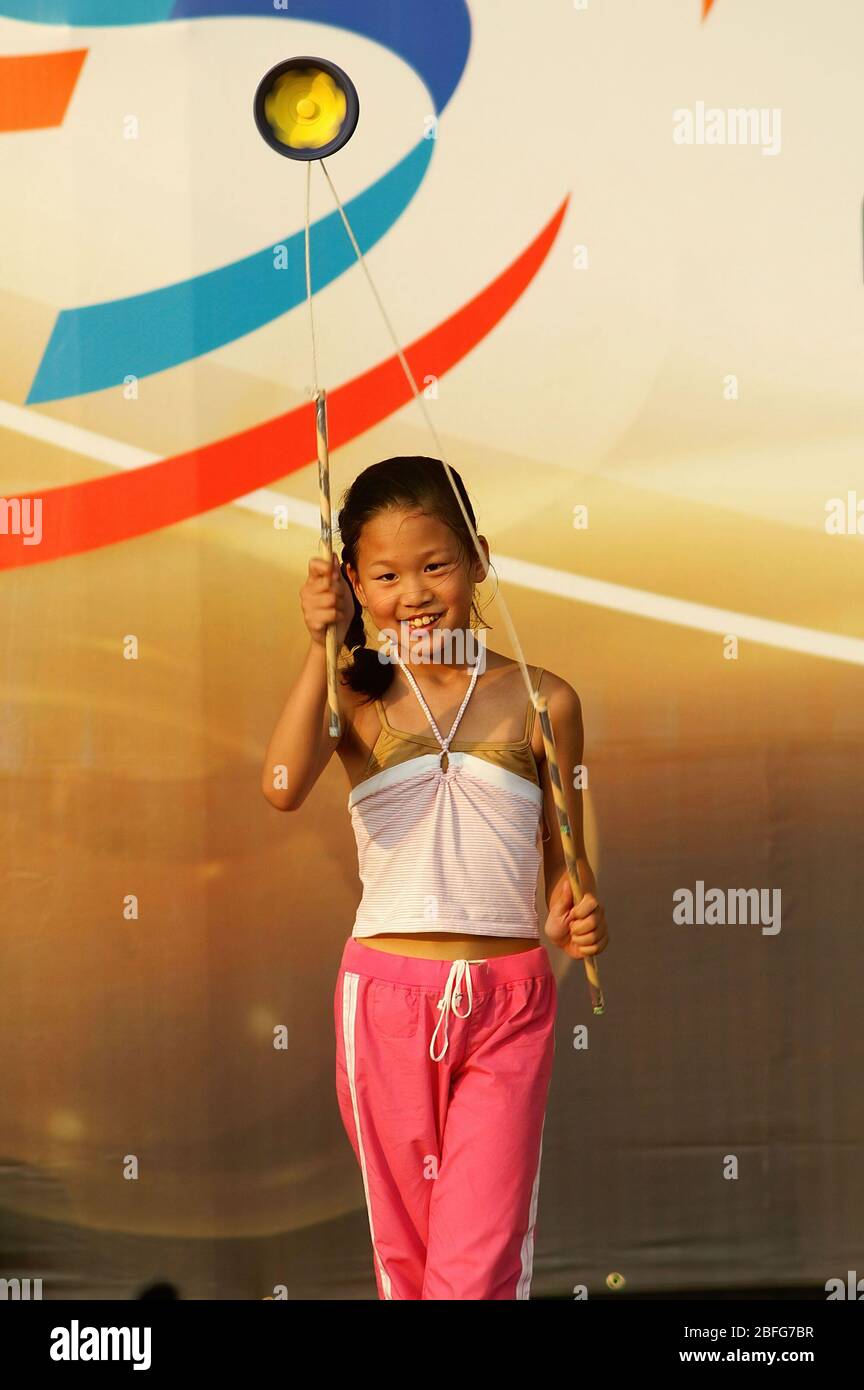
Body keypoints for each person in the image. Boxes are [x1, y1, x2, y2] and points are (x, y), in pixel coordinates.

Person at [262, 456, 609, 1299]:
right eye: (384, 575)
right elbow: (280, 788)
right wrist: (319, 645)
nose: (412, 594)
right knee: (408, 1265)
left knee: (477, 1263)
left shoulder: (543, 700)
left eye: (435, 566)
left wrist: (575, 910)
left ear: (478, 559)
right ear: (352, 584)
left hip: (509, 1002)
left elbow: (566, 866)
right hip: (382, 1006)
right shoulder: (354, 699)